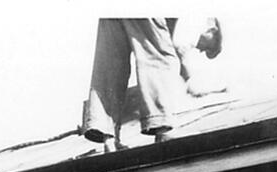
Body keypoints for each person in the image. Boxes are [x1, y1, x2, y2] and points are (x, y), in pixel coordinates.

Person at [81, 17, 224, 148]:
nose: (201, 50)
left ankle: (109, 137)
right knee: (158, 55)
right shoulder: (201, 18)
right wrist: (190, 81)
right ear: (213, 30)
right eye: (208, 48)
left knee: (110, 64)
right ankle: (162, 127)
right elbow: (178, 46)